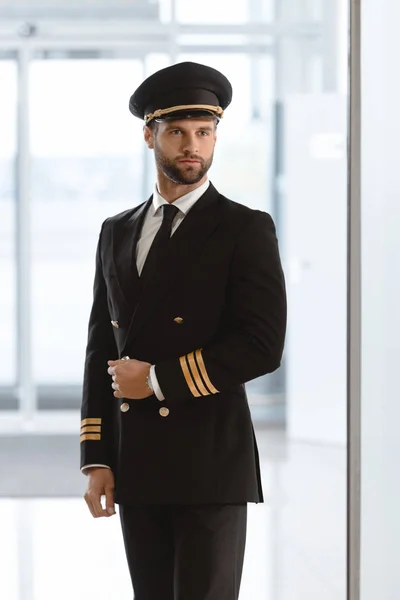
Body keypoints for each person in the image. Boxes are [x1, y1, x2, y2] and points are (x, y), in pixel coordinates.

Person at [81, 61, 287, 600]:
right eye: (176, 132)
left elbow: (262, 345)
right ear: (150, 135)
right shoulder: (117, 230)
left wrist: (156, 381)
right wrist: (98, 458)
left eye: (204, 132)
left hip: (210, 463)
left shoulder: (245, 227)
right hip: (138, 462)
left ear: (216, 136)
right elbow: (101, 346)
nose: (191, 146)